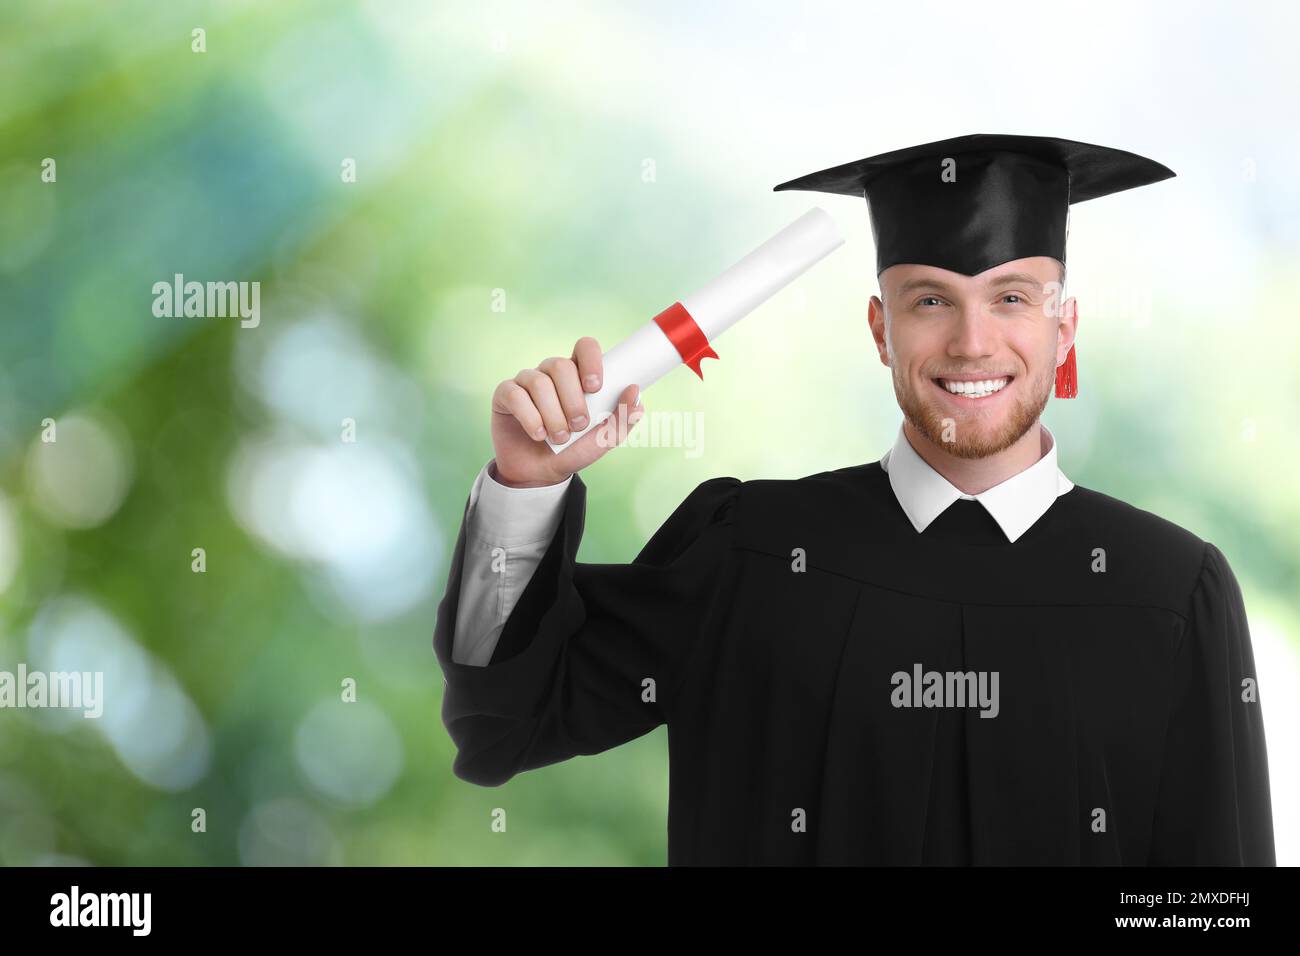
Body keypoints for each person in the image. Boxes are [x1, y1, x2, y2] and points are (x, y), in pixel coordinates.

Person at [432, 134, 1276, 865]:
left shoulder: (1170, 592)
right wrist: (527, 488)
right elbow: (504, 724)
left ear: (1065, 330)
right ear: (881, 330)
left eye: (1012, 298)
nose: (972, 340)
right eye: (931, 300)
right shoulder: (748, 552)